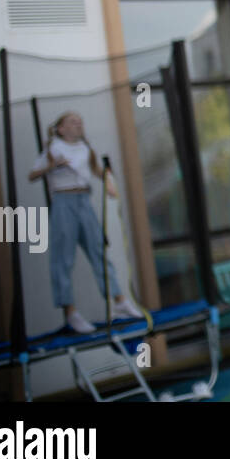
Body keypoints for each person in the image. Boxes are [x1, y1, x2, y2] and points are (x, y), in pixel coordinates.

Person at [29, 111, 144, 333]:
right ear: (61, 128)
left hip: (84, 200)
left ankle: (119, 300)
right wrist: (51, 167)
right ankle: (70, 312)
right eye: (72, 122)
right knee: (63, 258)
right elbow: (32, 175)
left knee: (98, 250)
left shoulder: (85, 148)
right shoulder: (53, 148)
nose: (78, 125)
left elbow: (95, 170)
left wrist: (109, 182)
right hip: (64, 201)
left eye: (80, 122)